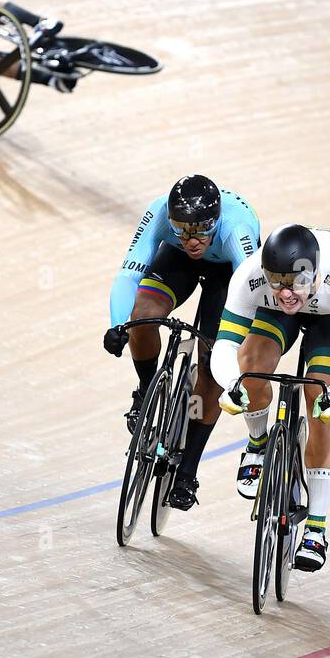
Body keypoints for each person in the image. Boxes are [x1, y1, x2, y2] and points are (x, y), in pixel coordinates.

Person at [210, 224, 330, 573]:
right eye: (277, 282)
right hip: (275, 319)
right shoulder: (250, 276)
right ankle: (257, 443)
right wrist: (232, 384)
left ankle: (316, 526)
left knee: (319, 398)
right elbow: (224, 345)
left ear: (314, 273)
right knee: (252, 367)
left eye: (296, 282)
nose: (286, 294)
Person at [103, 176, 261, 510]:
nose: (191, 240)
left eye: (201, 230)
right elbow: (128, 275)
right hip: (175, 264)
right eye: (181, 229)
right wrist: (119, 325)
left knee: (212, 364)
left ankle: (188, 469)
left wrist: (227, 349)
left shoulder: (237, 230)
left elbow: (249, 292)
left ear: (216, 221)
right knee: (142, 316)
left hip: (228, 278)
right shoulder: (159, 213)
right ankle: (147, 390)